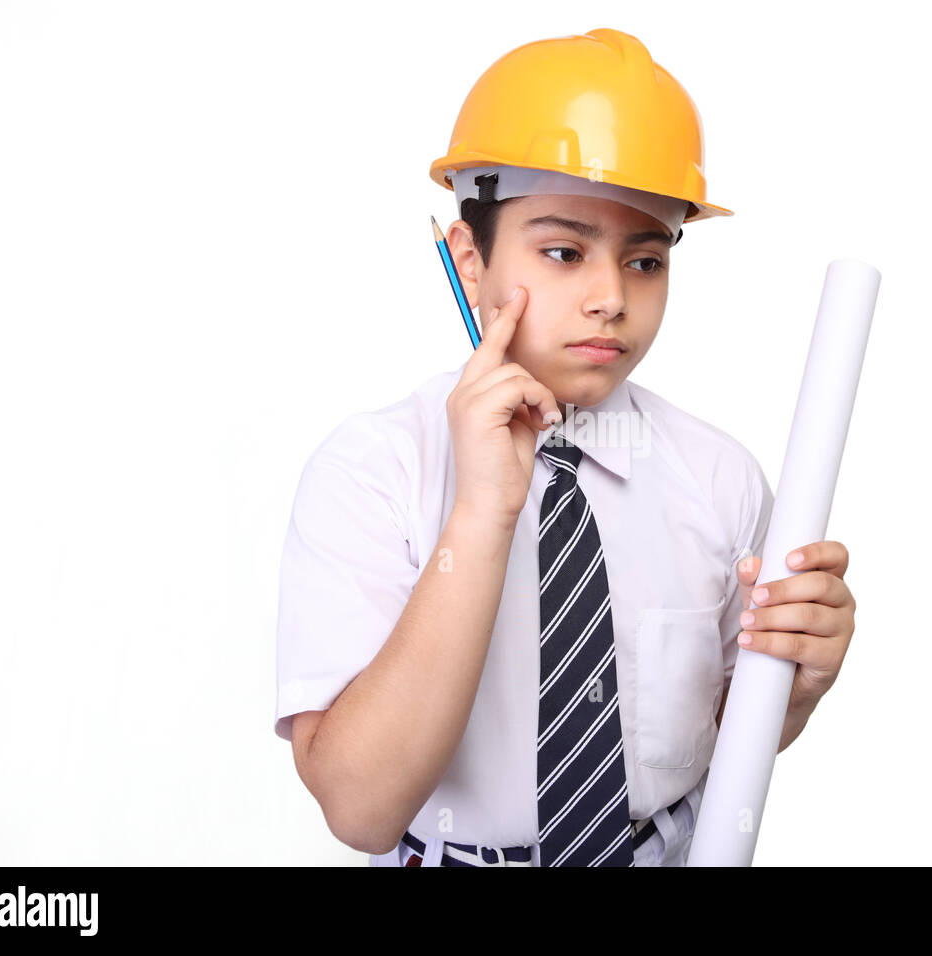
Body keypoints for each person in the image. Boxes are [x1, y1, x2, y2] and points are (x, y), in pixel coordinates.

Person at [273, 27, 857, 867]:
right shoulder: (373, 473)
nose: (610, 298)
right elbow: (361, 808)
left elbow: (717, 749)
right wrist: (481, 513)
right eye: (562, 251)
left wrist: (789, 693)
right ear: (468, 261)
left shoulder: (721, 480)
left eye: (645, 260)